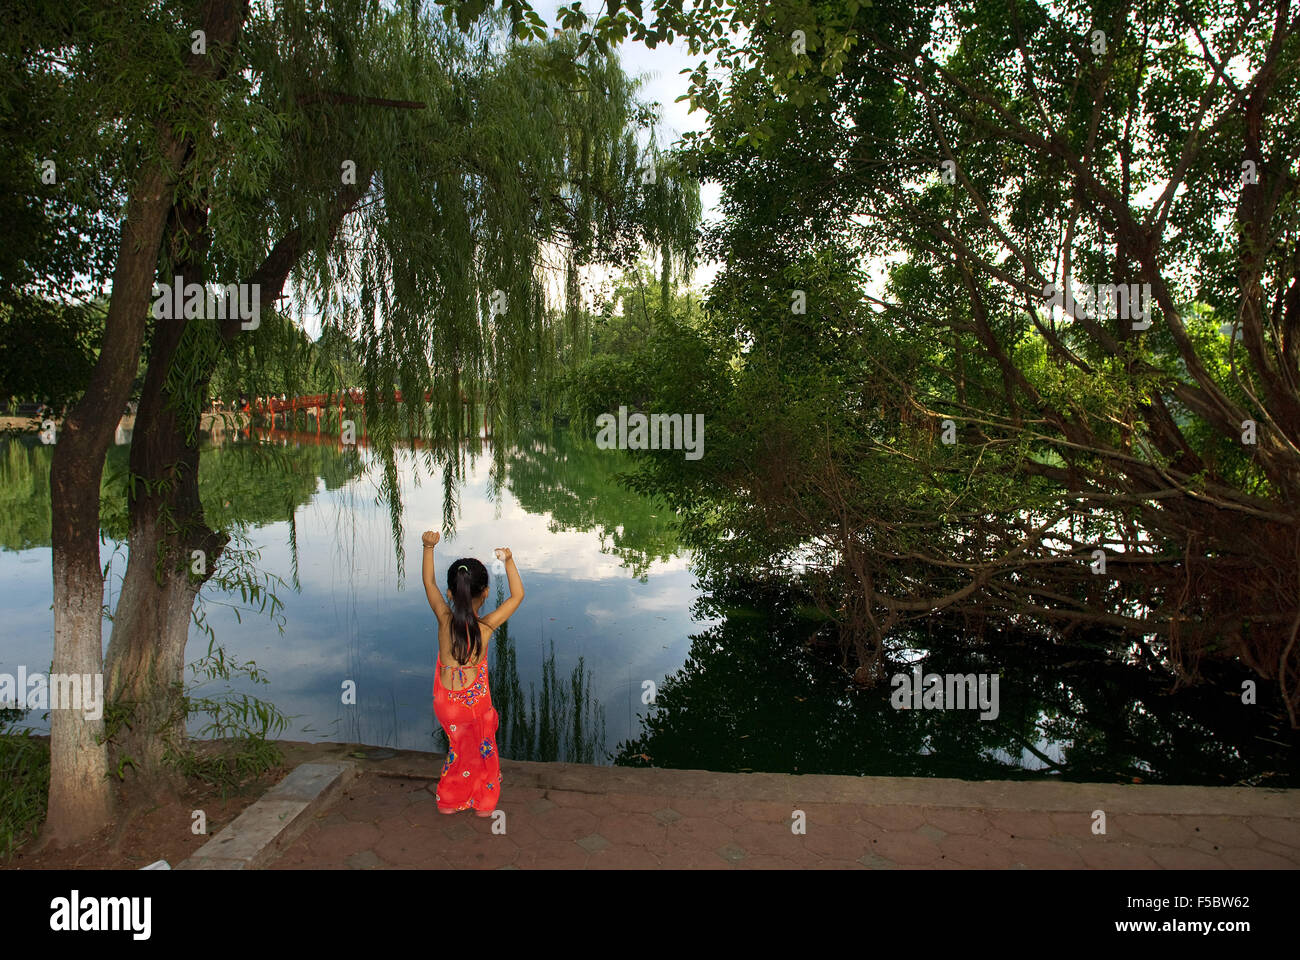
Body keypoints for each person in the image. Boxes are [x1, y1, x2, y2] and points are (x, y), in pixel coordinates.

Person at [422, 531, 524, 816]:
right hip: (474, 705)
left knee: (458, 750)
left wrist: (428, 547)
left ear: (451, 593)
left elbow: (428, 582)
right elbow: (518, 595)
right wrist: (509, 560)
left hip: (446, 704)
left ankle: (449, 801)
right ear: (486, 593)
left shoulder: (443, 618)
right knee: (483, 751)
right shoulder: (486, 626)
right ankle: (482, 804)